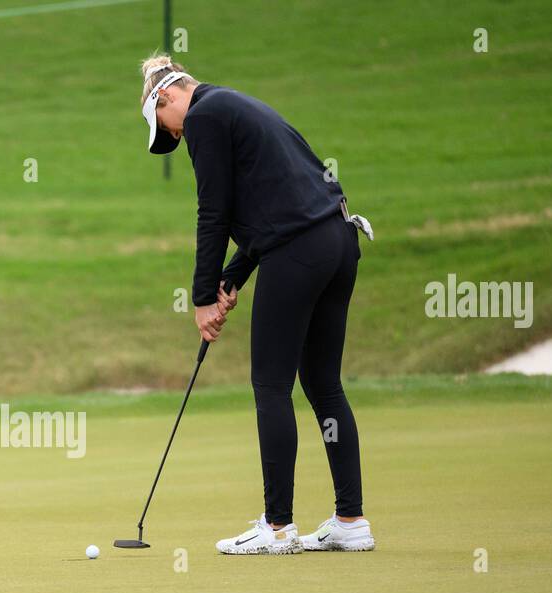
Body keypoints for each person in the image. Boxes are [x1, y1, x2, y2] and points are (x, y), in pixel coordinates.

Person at [140, 54, 376, 554]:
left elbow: (214, 211)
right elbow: (274, 207)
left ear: (165, 98)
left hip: (298, 252)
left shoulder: (203, 116)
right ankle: (351, 521)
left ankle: (277, 527)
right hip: (336, 241)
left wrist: (204, 297)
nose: (175, 139)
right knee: (323, 384)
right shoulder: (238, 105)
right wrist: (232, 276)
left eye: (167, 129)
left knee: (271, 384)